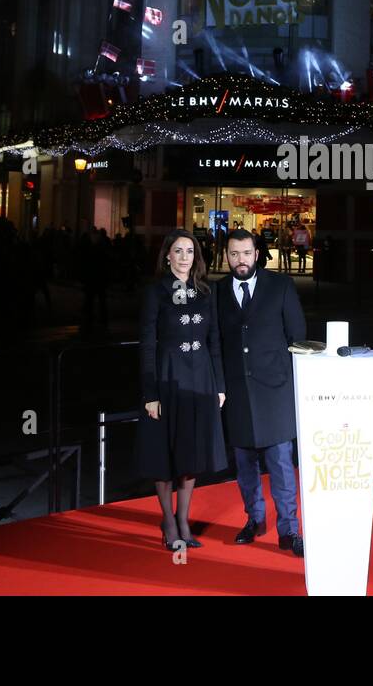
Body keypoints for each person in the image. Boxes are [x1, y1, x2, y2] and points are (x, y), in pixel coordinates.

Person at [214, 228, 308, 556]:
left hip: (275, 393)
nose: (240, 260)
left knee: (281, 464)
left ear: (257, 254)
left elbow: (297, 337)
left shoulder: (280, 286)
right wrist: (220, 387)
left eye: (245, 253)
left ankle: (290, 530)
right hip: (237, 393)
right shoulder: (218, 291)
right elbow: (216, 344)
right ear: (227, 256)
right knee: (244, 465)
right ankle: (253, 519)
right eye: (233, 254)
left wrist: (294, 385)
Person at [136, 229, 228, 550]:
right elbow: (147, 343)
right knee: (164, 452)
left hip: (200, 377)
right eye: (178, 251)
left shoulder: (206, 291)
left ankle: (184, 519)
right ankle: (169, 521)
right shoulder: (156, 292)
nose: (184, 257)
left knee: (191, 452)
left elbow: (214, 340)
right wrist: (150, 392)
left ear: (196, 257)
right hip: (166, 375)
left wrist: (219, 385)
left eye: (190, 251)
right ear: (167, 256)